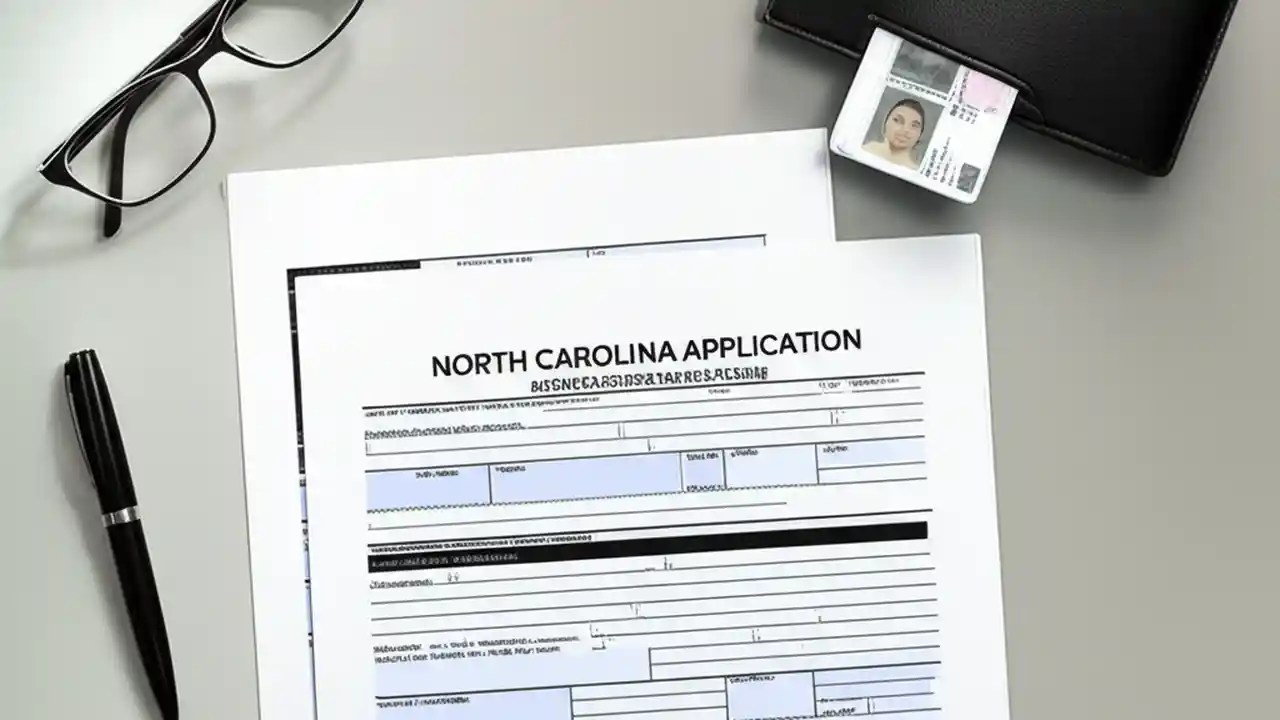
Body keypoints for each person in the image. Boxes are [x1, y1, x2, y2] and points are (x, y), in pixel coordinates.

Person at [862, 98, 927, 169]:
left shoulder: (914, 171)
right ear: (885, 122)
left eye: (914, 125)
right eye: (897, 120)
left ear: (920, 134)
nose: (905, 129)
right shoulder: (866, 150)